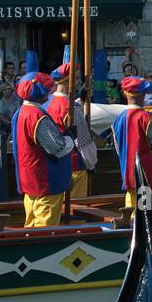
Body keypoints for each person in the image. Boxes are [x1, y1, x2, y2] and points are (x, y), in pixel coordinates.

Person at [13, 71, 76, 227]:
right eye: (47, 88)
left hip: (29, 180)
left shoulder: (20, 112)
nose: (50, 91)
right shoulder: (36, 116)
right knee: (45, 229)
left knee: (31, 225)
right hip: (45, 182)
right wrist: (70, 138)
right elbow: (58, 148)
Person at [112, 75, 152, 209]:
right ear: (142, 94)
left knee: (133, 218)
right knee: (148, 221)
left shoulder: (118, 120)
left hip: (129, 177)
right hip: (147, 180)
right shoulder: (145, 118)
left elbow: (120, 151)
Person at [46, 63, 98, 200]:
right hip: (74, 166)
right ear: (67, 81)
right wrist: (91, 164)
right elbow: (83, 141)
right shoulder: (72, 109)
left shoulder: (48, 103)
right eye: (76, 78)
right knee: (78, 209)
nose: (79, 81)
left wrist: (81, 101)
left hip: (55, 165)